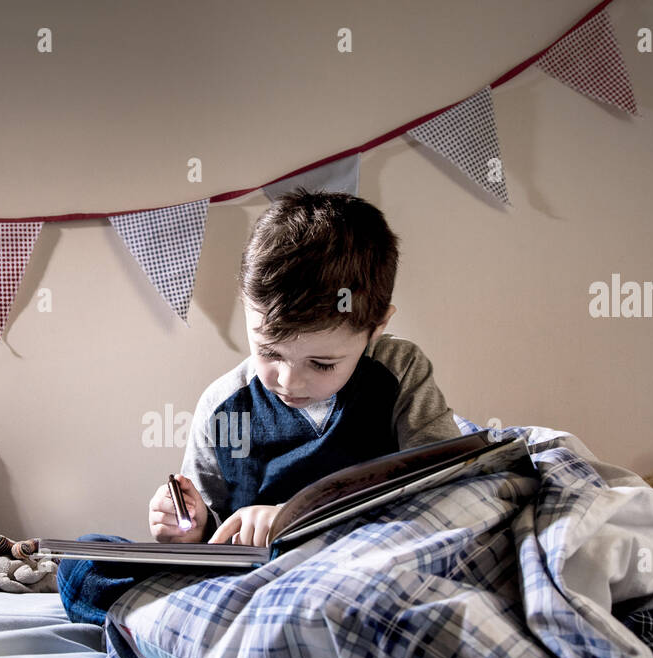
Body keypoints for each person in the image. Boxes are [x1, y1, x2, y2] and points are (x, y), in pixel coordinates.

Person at [59, 188, 458, 627]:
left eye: (322, 363)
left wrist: (291, 519)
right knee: (87, 559)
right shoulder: (223, 407)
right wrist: (188, 530)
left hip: (354, 569)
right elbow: (209, 533)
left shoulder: (398, 371)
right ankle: (208, 625)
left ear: (376, 327)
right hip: (247, 582)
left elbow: (445, 496)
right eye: (270, 353)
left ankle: (182, 629)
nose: (290, 382)